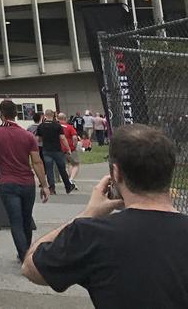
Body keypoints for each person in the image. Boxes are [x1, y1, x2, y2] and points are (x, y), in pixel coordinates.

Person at [22, 124, 188, 307]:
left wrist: (89, 214)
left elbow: (31, 266)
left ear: (116, 173)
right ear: (169, 171)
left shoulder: (91, 233)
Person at [0, 99, 49, 262]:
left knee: (15, 221)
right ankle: (26, 252)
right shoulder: (28, 136)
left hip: (7, 182)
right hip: (27, 183)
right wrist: (44, 185)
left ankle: (24, 254)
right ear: (16, 114)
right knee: (27, 219)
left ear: (1, 114)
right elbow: (36, 162)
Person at [36, 110, 74, 194]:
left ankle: (52, 188)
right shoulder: (57, 125)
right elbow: (63, 138)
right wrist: (68, 149)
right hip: (57, 150)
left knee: (49, 169)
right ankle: (68, 186)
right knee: (62, 169)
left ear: (45, 115)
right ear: (53, 115)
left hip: (46, 150)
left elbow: (39, 139)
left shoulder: (41, 126)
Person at [57, 113, 80, 184]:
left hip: (59, 149)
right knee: (75, 164)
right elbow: (75, 137)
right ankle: (71, 179)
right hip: (70, 148)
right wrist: (75, 145)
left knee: (67, 164)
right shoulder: (69, 127)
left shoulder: (56, 127)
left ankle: (69, 178)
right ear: (65, 119)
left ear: (58, 118)